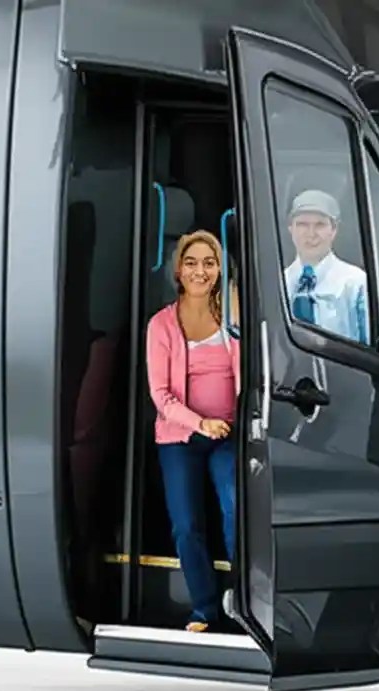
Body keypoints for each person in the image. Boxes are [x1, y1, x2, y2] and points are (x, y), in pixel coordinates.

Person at [146, 229, 240, 633]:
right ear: (178, 272)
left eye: (209, 262)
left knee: (235, 510)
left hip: (231, 435)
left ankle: (244, 602)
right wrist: (200, 423)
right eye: (191, 263)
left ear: (220, 270)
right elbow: (160, 394)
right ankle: (204, 607)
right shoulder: (161, 325)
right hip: (180, 436)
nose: (200, 270)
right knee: (186, 524)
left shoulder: (232, 315)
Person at [282, 189, 379, 362]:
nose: (311, 233)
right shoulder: (279, 284)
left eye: (320, 225)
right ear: (290, 228)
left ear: (334, 229)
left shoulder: (354, 281)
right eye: (302, 224)